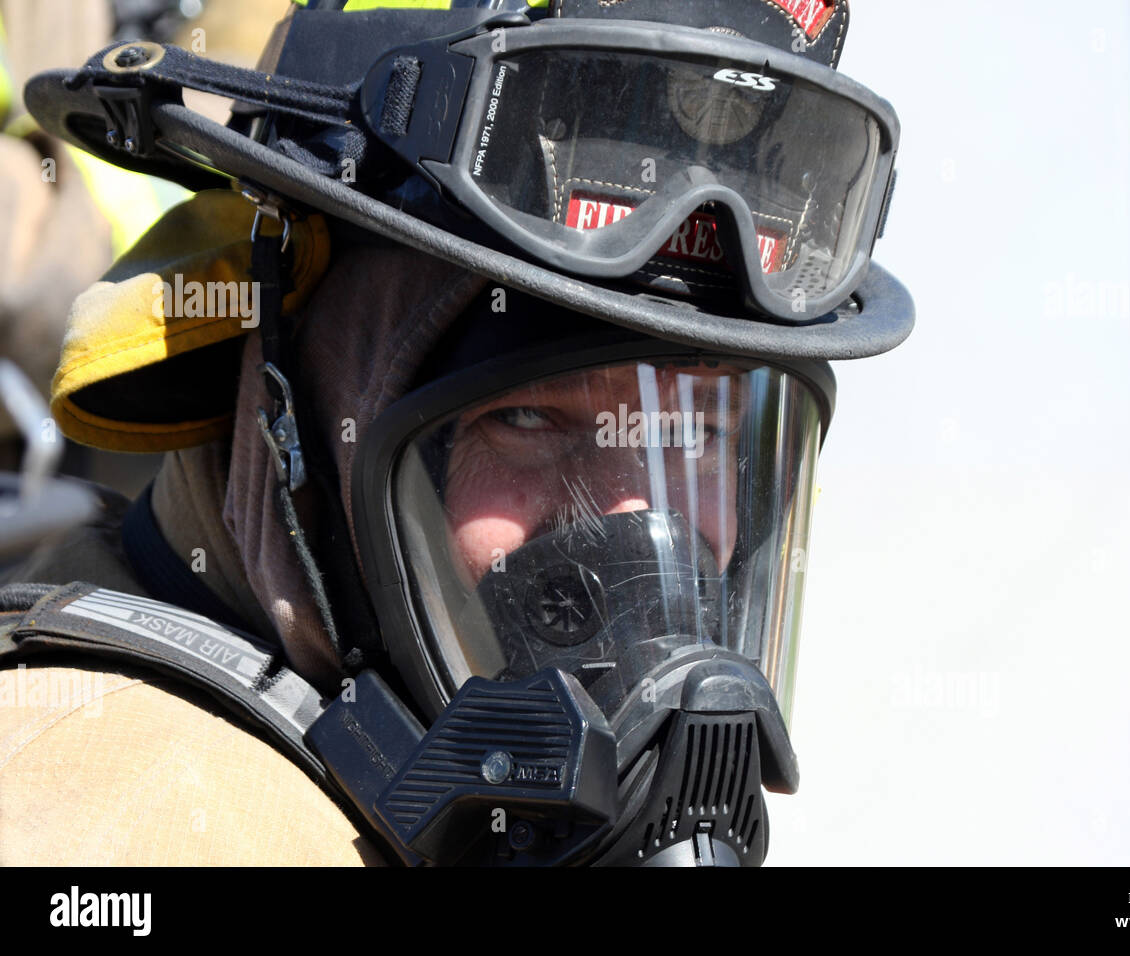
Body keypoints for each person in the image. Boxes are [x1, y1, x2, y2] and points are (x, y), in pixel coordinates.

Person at [0, 0, 912, 866]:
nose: (643, 521)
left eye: (699, 431)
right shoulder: (132, 820)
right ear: (298, 421)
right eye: (525, 420)